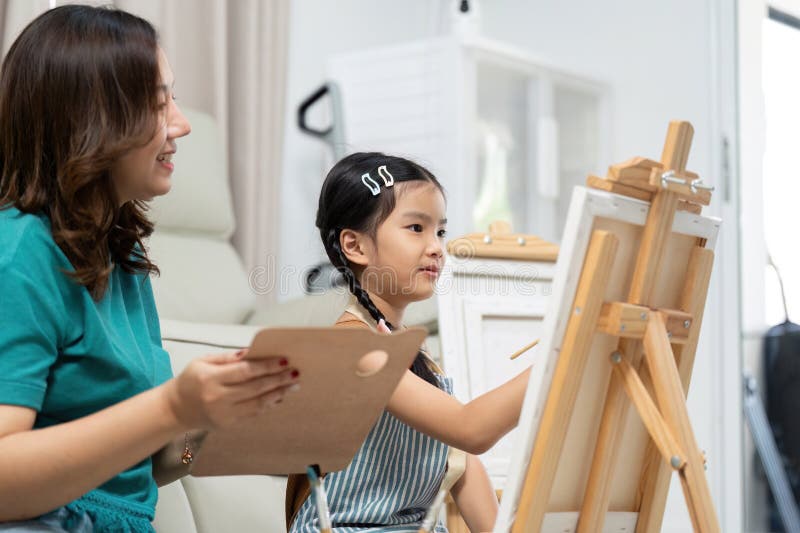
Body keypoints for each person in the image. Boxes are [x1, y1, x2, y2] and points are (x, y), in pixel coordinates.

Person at [0, 5, 300, 531]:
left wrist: (209, 420)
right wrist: (173, 408)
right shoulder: (19, 253)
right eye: (158, 105)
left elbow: (148, 466)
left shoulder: (122, 256)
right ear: (92, 120)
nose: (182, 124)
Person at [286, 152, 532, 533]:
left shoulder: (419, 358)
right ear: (355, 246)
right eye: (416, 228)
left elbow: (462, 463)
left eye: (440, 232)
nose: (436, 247)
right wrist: (560, 357)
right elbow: (470, 428)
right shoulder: (355, 348)